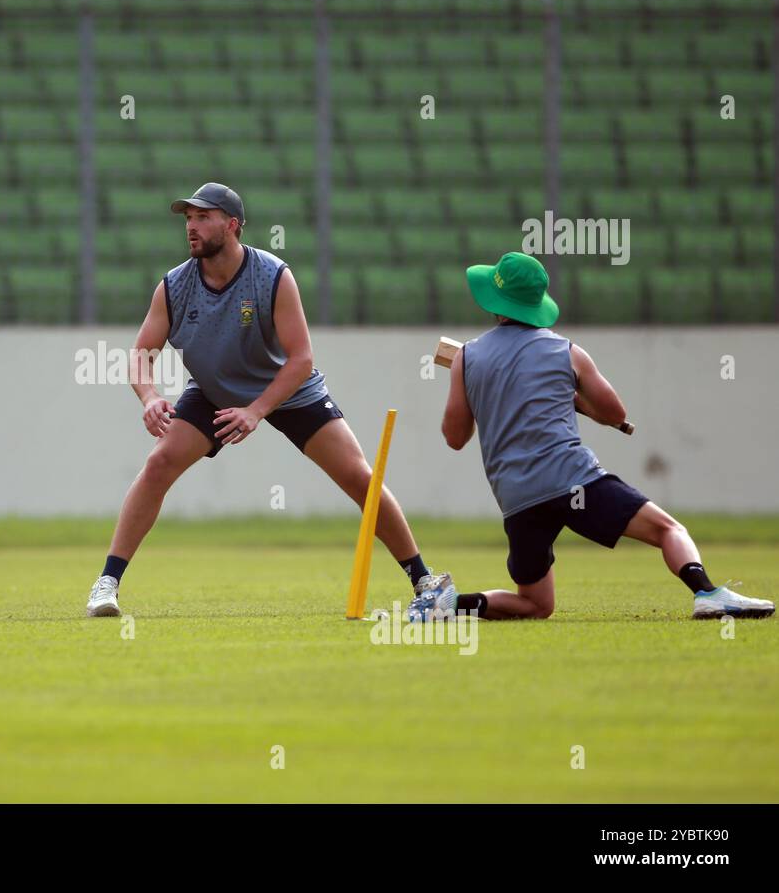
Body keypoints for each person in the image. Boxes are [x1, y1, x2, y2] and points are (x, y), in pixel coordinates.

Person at [85, 182, 452, 617]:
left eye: (203, 216)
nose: (192, 226)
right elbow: (141, 354)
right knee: (159, 464)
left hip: (289, 390)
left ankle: (424, 580)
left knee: (358, 477)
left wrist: (257, 410)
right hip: (214, 391)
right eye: (188, 218)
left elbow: (300, 359)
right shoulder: (174, 286)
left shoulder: (272, 275)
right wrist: (148, 396)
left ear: (233, 224)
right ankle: (107, 584)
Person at [414, 250, 773, 622]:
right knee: (669, 529)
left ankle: (449, 605)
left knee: (537, 605)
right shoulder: (566, 352)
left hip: (517, 498)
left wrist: (476, 391)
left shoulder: (467, 357)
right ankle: (707, 592)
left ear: (496, 301)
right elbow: (615, 414)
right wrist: (572, 398)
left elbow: (455, 437)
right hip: (574, 483)